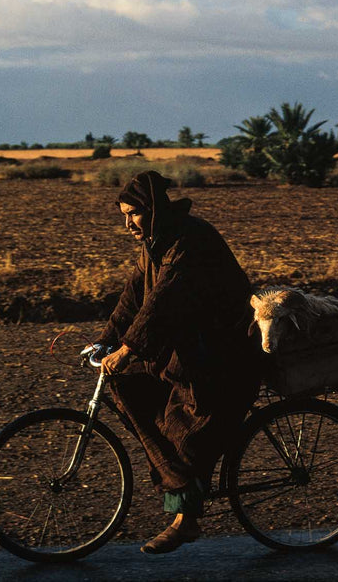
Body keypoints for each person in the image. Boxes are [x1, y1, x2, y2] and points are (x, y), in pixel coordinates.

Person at [91, 170, 261, 554]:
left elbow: (162, 302)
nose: (128, 223)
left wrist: (127, 349)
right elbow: (133, 300)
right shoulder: (156, 242)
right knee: (128, 386)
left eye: (133, 213)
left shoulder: (189, 240)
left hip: (224, 357)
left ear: (152, 209)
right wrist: (103, 342)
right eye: (124, 215)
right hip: (190, 353)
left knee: (188, 432)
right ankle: (179, 483)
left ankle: (186, 520)